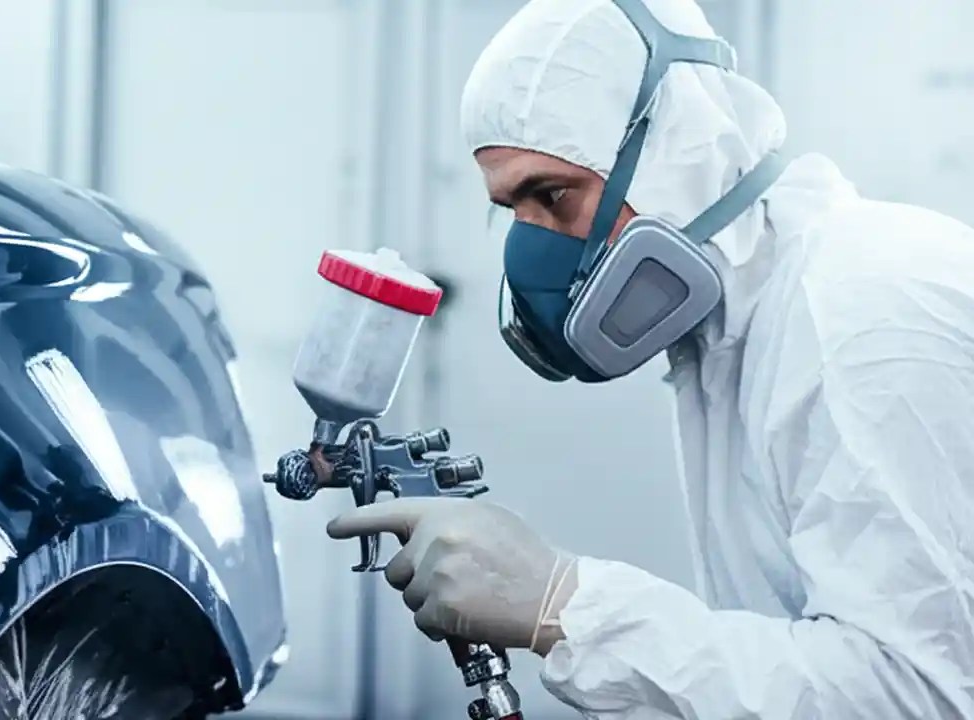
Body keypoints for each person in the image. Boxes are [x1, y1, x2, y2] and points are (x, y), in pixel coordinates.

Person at [326, 0, 974, 716]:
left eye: (552, 194)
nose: (533, 248)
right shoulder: (730, 343)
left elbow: (917, 695)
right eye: (512, 209)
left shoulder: (862, 311)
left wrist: (570, 607)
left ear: (672, 155)